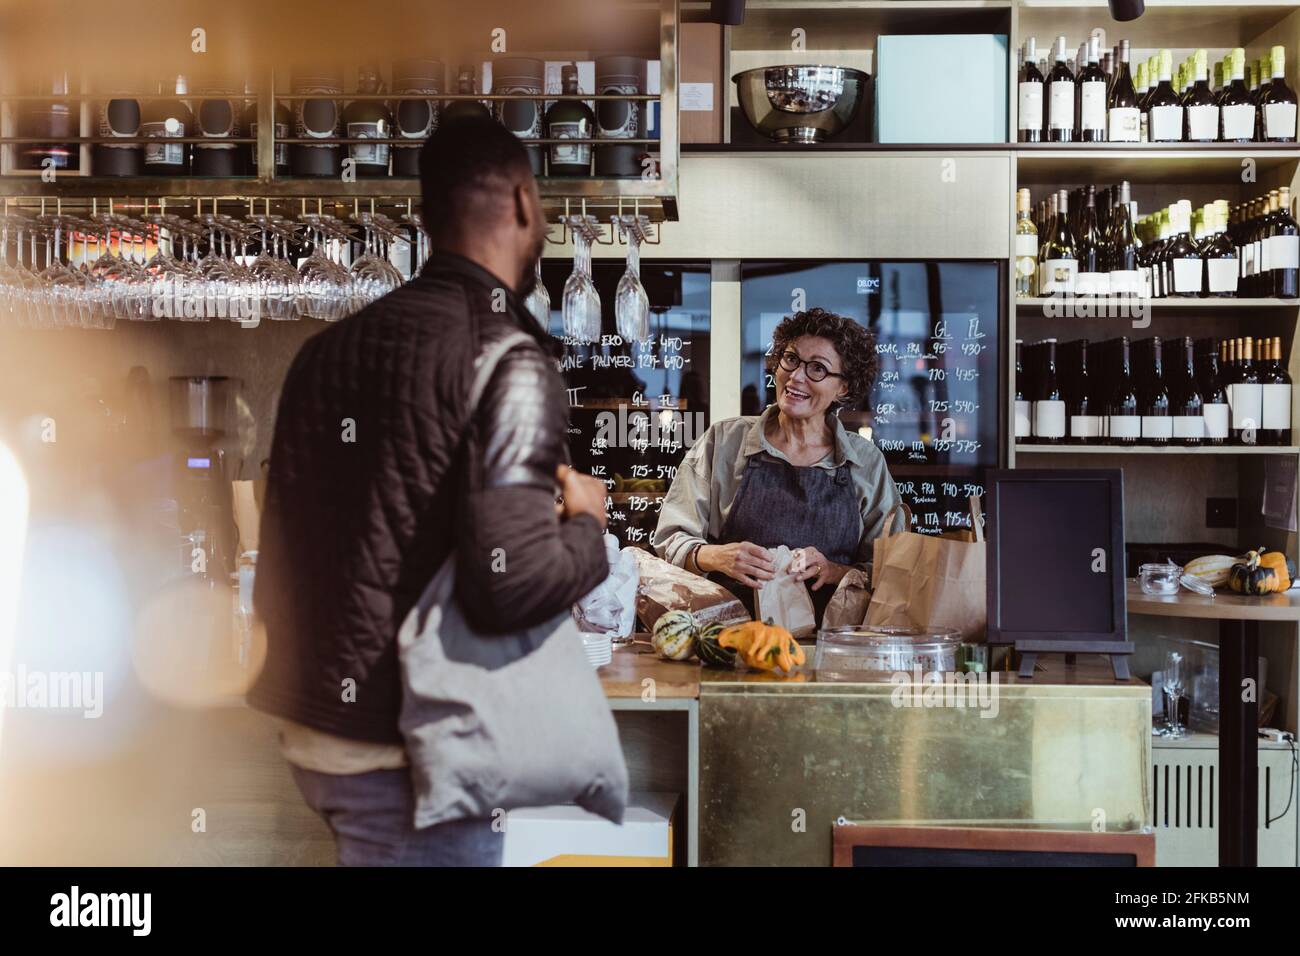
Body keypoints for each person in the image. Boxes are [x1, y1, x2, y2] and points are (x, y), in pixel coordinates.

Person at [248, 114, 610, 866]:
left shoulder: (325, 350)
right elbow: (507, 586)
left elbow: (279, 548)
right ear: (522, 203)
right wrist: (586, 525)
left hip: (316, 731)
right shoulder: (508, 360)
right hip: (415, 745)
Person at [653, 307, 902, 625]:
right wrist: (717, 556)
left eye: (817, 369)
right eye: (791, 359)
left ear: (844, 388)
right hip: (730, 641)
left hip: (831, 648)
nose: (796, 376)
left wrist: (833, 571)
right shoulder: (725, 442)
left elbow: (891, 569)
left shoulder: (865, 462)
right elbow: (670, 539)